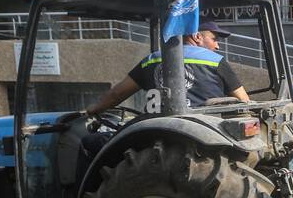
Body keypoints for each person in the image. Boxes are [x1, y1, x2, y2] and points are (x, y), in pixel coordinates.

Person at [76, 21, 249, 185]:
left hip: (151, 138)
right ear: (196, 36)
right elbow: (243, 101)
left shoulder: (152, 60)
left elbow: (116, 94)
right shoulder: (215, 61)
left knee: (90, 143)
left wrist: (95, 108)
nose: (217, 45)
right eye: (214, 39)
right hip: (206, 138)